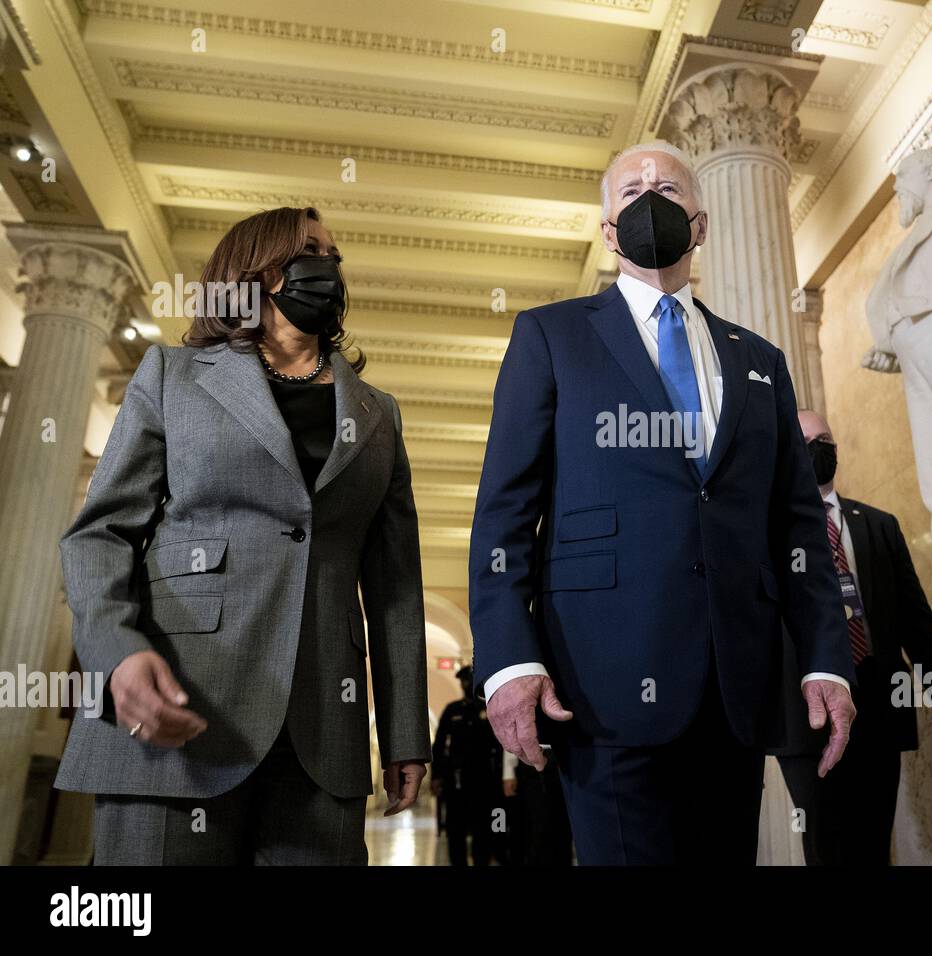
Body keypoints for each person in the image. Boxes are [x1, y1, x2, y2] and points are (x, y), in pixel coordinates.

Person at [469, 141, 856, 865]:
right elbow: (504, 514)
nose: (651, 196)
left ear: (701, 224)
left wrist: (827, 663)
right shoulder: (550, 336)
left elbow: (797, 526)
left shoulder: (760, 361)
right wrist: (508, 661)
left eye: (669, 188)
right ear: (609, 231)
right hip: (602, 686)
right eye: (631, 190)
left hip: (734, 690)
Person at [55, 206, 430, 865]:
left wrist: (405, 732)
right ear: (250, 270)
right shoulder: (171, 376)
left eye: (334, 257)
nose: (328, 268)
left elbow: (396, 585)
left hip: (321, 733)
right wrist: (117, 652)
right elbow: (101, 535)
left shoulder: (378, 414)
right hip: (180, 707)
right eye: (308, 251)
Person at [772, 409, 932, 865]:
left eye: (824, 438)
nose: (817, 448)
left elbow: (917, 623)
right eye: (805, 442)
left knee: (871, 844)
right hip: (809, 720)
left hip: (880, 713)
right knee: (827, 848)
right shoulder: (770, 532)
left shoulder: (879, 526)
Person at [430, 667, 501, 866]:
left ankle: (482, 860)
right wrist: (437, 776)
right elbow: (439, 744)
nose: (466, 684)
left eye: (469, 680)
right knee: (455, 828)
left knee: (482, 828)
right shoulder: (452, 710)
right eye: (464, 681)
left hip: (483, 777)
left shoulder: (489, 708)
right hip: (456, 779)